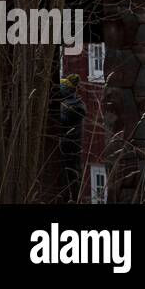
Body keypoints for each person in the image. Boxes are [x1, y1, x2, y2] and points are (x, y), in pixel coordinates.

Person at [57, 73, 86, 201]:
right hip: (69, 148)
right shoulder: (73, 104)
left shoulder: (74, 107)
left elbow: (61, 120)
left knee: (70, 178)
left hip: (70, 149)